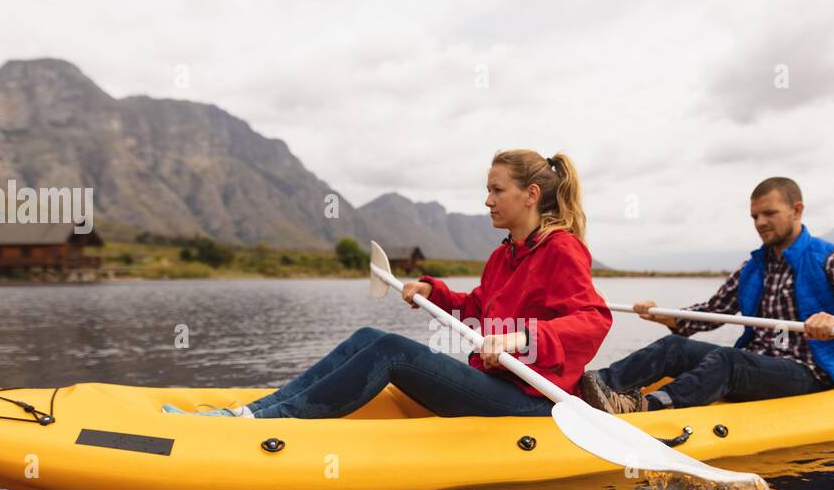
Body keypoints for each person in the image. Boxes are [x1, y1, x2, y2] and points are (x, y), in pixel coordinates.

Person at [164, 150, 611, 418]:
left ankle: (273, 421)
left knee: (392, 351)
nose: (487, 199)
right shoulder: (503, 254)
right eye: (487, 189)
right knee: (369, 336)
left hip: (531, 399)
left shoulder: (561, 249)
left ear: (531, 195)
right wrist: (437, 292)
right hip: (494, 381)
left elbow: (594, 321)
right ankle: (255, 411)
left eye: (497, 190)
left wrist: (522, 337)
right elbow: (477, 305)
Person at [581, 177, 834, 413]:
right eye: (754, 216)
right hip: (763, 362)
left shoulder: (831, 258)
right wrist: (667, 316)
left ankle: (645, 408)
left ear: (797, 210)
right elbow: (711, 311)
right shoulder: (754, 266)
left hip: (812, 370)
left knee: (728, 360)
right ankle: (593, 388)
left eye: (769, 213)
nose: (760, 223)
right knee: (673, 346)